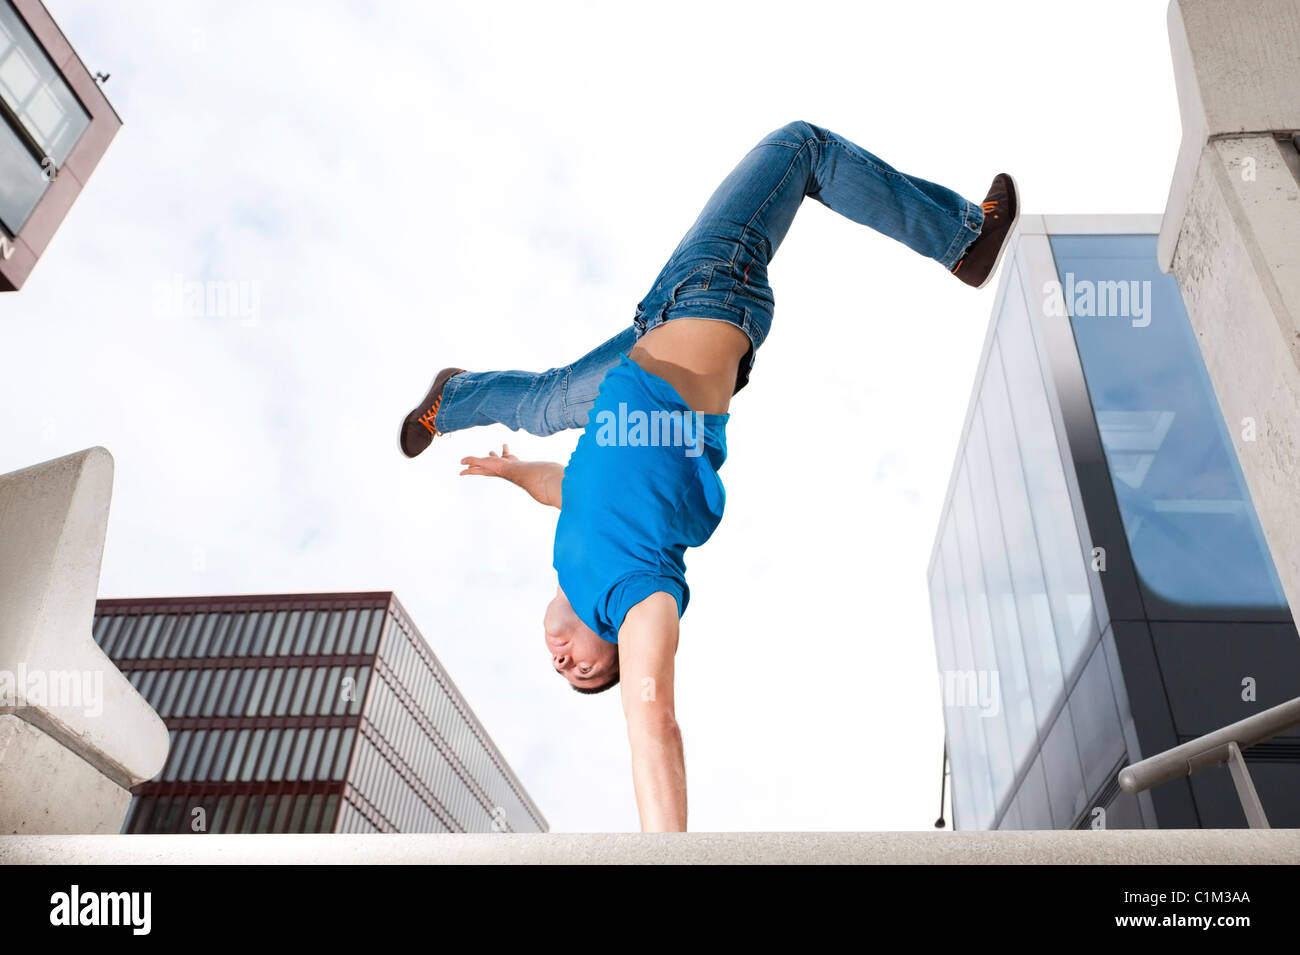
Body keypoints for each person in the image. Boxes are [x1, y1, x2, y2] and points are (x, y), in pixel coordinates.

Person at [397, 120, 1018, 831]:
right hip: (708, 298)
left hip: (646, 337)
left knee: (545, 400)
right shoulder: (639, 595)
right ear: (618, 645)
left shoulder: (579, 545)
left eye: (562, 671)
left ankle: (452, 400)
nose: (564, 662)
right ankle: (963, 239)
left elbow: (563, 488)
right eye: (587, 670)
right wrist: (669, 848)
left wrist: (512, 474)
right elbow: (653, 724)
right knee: (802, 147)